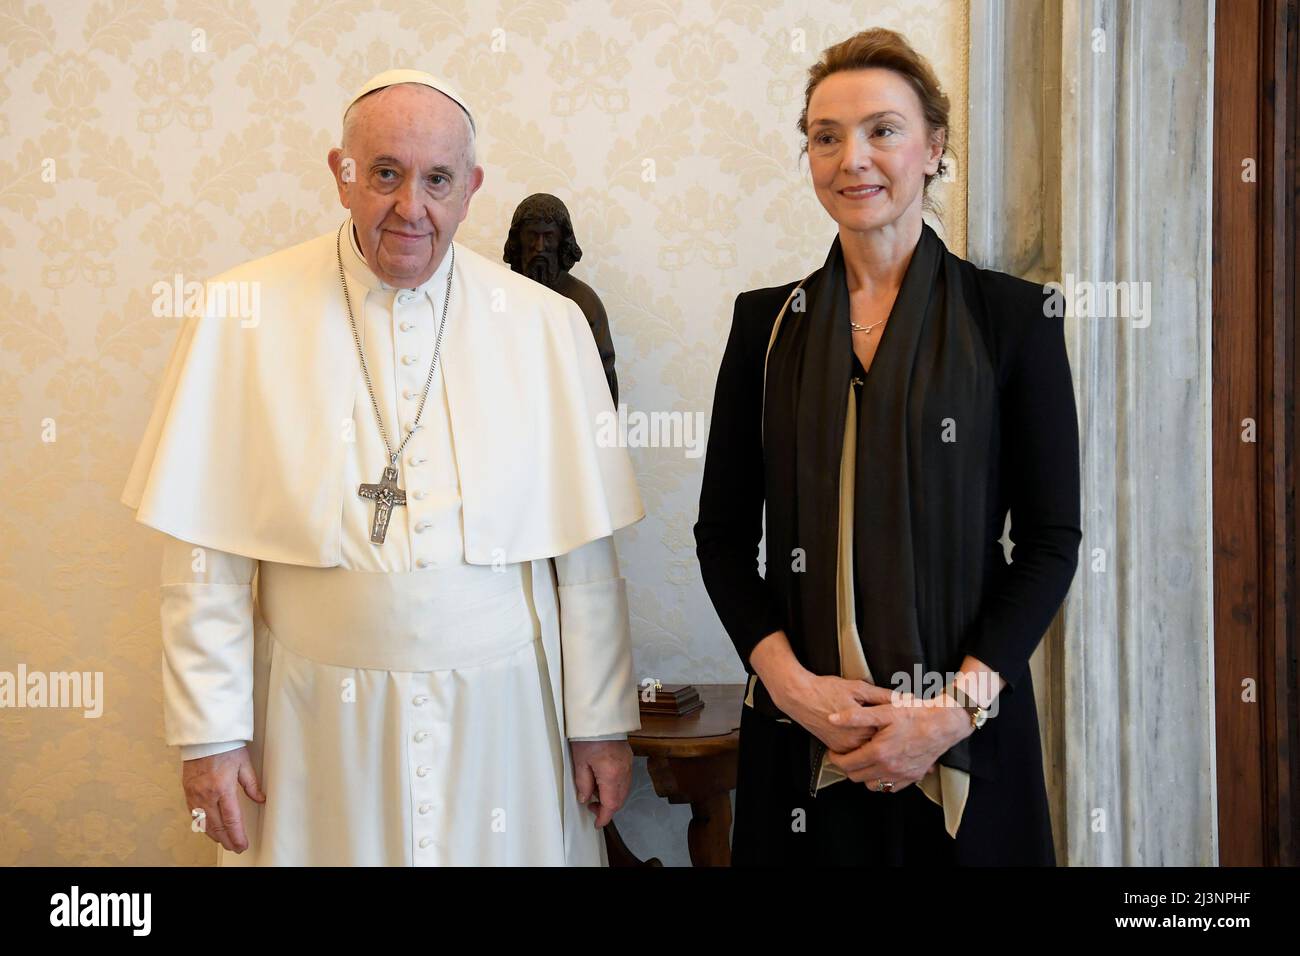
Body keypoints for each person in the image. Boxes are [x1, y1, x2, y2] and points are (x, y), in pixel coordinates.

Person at [121, 69, 645, 866]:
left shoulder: (545, 325)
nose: (411, 208)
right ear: (342, 174)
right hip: (313, 725)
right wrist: (209, 737)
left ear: (471, 189)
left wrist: (601, 725)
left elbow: (585, 560)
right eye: (385, 174)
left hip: (504, 721)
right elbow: (208, 560)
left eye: (437, 179)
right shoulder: (243, 312)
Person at [693, 29, 1081, 865]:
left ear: (934, 148)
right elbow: (721, 539)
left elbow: (1050, 542)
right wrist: (794, 692)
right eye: (826, 137)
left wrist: (951, 711)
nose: (852, 158)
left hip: (965, 741)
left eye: (883, 130)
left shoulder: (1013, 320)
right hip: (804, 746)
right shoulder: (764, 327)